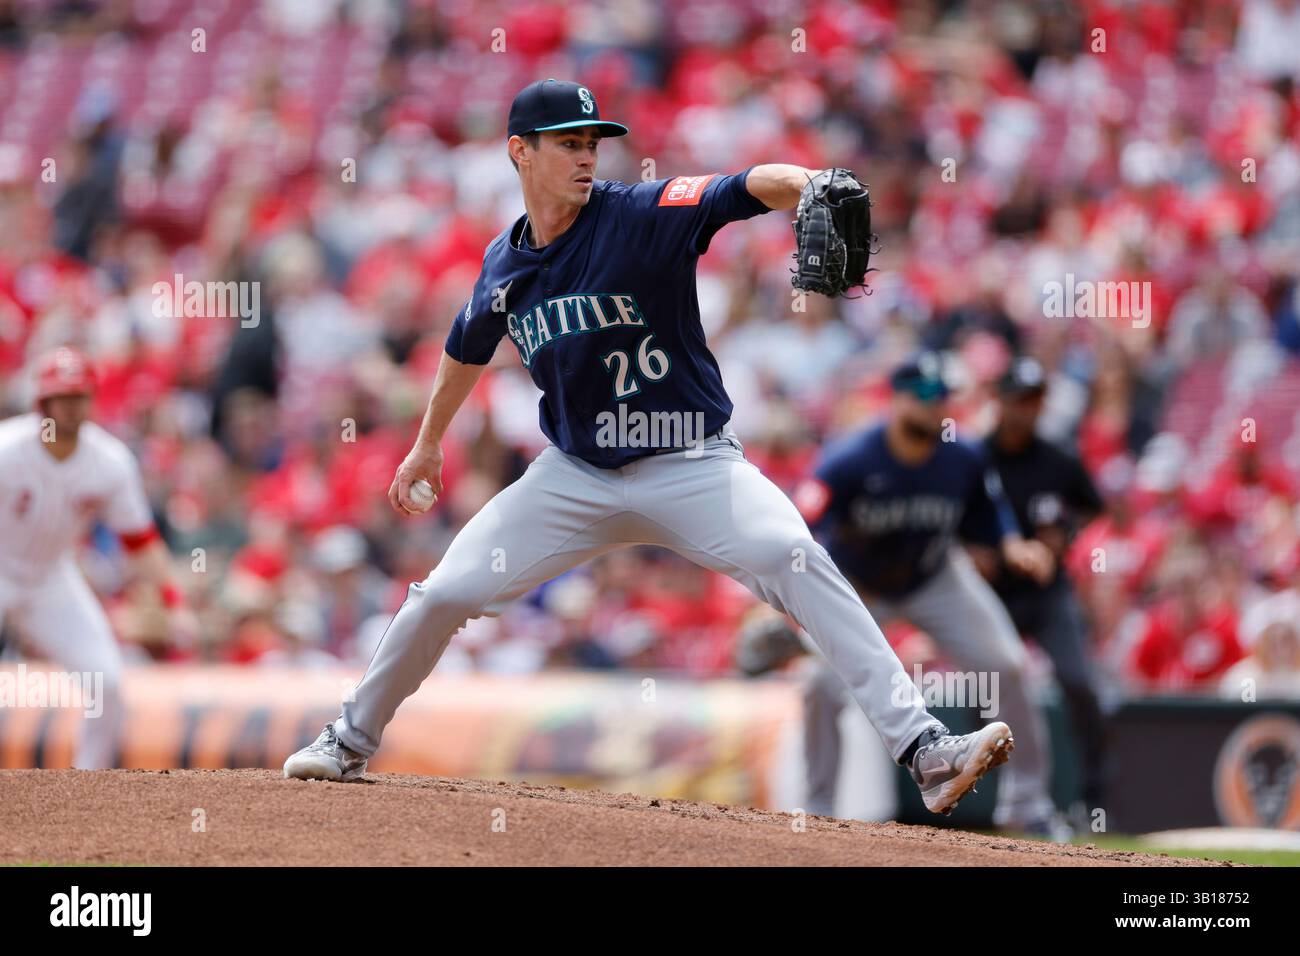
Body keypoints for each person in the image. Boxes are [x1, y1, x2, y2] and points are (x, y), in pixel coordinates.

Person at [283, 79, 1017, 817]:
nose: (586, 156)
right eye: (567, 142)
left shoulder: (638, 213)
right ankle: (347, 740)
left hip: (690, 461)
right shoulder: (504, 267)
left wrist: (810, 183)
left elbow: (740, 189)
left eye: (592, 143)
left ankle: (925, 750)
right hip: (574, 477)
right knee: (443, 593)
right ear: (520, 152)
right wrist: (427, 445)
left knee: (796, 558)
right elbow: (463, 348)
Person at [792, 353, 1066, 836]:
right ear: (895, 398)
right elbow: (799, 524)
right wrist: (795, 595)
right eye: (922, 392)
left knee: (1008, 664)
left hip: (936, 576)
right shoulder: (850, 458)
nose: (934, 402)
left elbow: (990, 510)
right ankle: (817, 811)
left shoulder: (960, 456)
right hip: (859, 586)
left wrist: (1012, 545)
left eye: (940, 393)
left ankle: (1029, 804)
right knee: (819, 685)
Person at [0, 347, 188, 767]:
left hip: (52, 579)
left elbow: (139, 540)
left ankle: (88, 787)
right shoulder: (7, 450)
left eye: (78, 396)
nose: (70, 407)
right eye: (61, 398)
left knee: (106, 681)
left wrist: (172, 600)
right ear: (42, 402)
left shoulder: (109, 461)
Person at [980, 356, 1110, 819]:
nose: (1028, 408)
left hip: (1047, 591)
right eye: (1021, 398)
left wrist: (1067, 535)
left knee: (1079, 682)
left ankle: (1094, 798)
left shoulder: (1057, 459)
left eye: (1036, 399)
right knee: (985, 691)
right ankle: (989, 801)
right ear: (999, 400)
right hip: (993, 592)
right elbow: (953, 517)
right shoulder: (976, 458)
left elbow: (1093, 506)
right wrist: (974, 551)